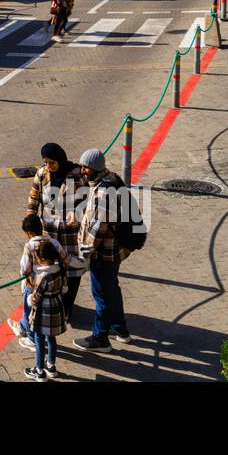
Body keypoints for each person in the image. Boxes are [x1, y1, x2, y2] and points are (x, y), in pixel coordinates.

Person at [73, 149, 132, 350]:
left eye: (85, 167)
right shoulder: (109, 180)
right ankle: (120, 329)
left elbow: (98, 227)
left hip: (103, 253)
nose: (82, 170)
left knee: (102, 296)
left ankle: (100, 339)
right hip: (113, 251)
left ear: (95, 168)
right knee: (112, 290)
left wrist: (84, 252)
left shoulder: (103, 192)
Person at [24, 142, 86, 316]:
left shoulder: (77, 175)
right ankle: (53, 305)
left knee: (72, 272)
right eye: (46, 162)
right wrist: (31, 221)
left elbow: (88, 199)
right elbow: (33, 198)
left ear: (60, 159)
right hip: (49, 234)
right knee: (51, 270)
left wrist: (78, 213)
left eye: (52, 163)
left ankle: (66, 309)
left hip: (70, 235)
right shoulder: (42, 174)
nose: (48, 166)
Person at [15, 213, 68, 352]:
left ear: (29, 232)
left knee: (30, 311)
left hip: (33, 286)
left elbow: (25, 268)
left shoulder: (30, 246)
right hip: (52, 286)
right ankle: (30, 332)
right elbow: (64, 259)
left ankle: (32, 338)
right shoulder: (54, 242)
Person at [24, 239, 68, 382]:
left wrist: (29, 297)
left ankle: (39, 370)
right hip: (56, 309)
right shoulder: (60, 270)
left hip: (43, 313)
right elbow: (65, 289)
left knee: (39, 340)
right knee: (51, 338)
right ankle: (51, 366)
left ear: (41, 258)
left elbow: (35, 299)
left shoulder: (42, 277)